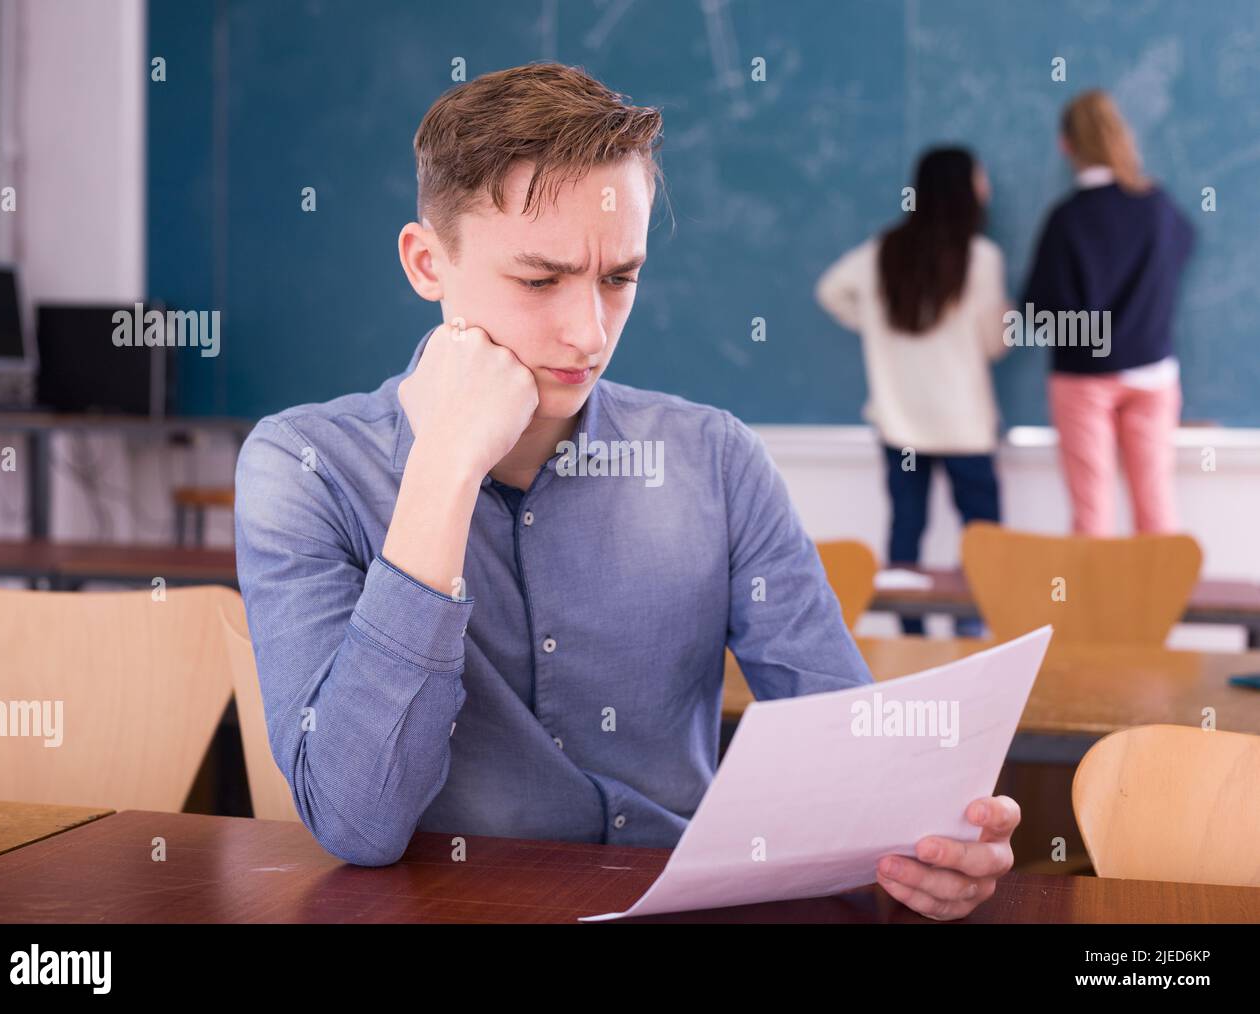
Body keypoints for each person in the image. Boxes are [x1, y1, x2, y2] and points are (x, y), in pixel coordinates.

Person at [234, 63, 1020, 920]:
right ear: (428, 263)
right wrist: (446, 468)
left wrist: (930, 839)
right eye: (540, 281)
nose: (588, 332)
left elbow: (850, 754)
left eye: (619, 278)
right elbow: (360, 821)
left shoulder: (715, 460)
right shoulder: (302, 467)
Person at [816, 147, 1011, 636]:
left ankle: (913, 642)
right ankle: (971, 641)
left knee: (906, 535)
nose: (987, 188)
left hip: (900, 423)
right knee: (986, 543)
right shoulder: (982, 257)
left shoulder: (884, 250)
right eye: (980, 178)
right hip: (965, 427)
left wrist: (874, 326)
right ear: (965, 189)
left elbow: (830, 289)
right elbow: (994, 344)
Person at [1023, 89, 1195, 535]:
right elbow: (1183, 248)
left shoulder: (1066, 220)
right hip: (1152, 371)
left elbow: (1038, 310)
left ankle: (1092, 607)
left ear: (1066, 145)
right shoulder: (1157, 208)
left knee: (1091, 513)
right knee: (1156, 507)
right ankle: (1163, 606)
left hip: (1084, 376)